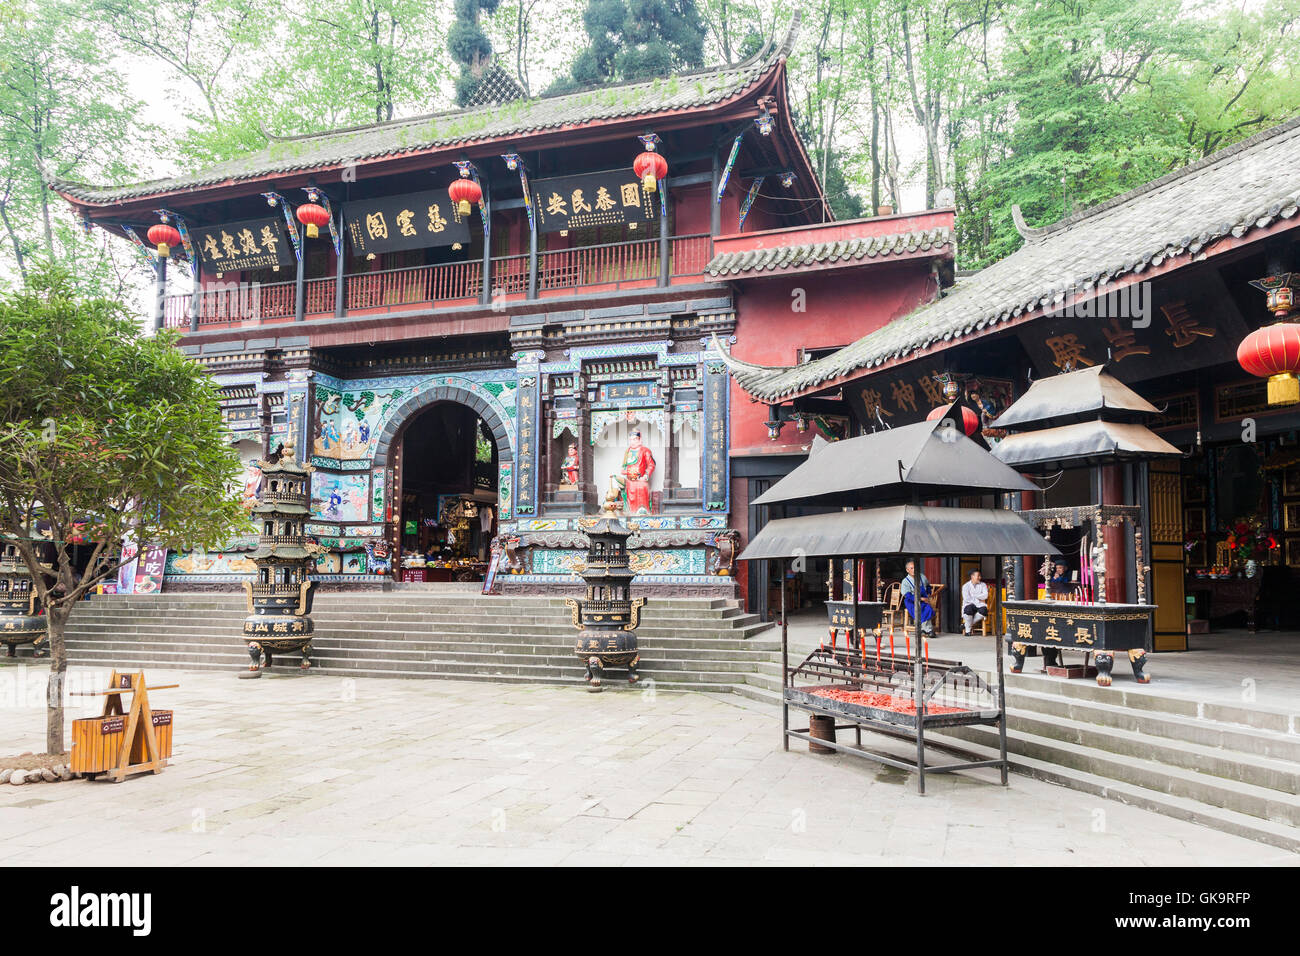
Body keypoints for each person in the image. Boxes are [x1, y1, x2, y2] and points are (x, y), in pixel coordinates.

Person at [900, 559, 934, 636]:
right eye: (911, 568)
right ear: (907, 570)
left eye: (915, 567)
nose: (914, 570)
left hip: (924, 599)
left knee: (928, 608)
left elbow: (928, 586)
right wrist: (921, 599)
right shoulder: (905, 581)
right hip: (912, 601)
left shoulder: (922, 576)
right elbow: (907, 595)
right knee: (919, 609)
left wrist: (928, 594)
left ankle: (923, 630)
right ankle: (928, 630)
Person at [962, 569, 989, 635]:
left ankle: (966, 625)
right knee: (968, 610)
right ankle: (968, 631)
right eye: (978, 576)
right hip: (969, 604)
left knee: (984, 611)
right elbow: (967, 598)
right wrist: (979, 598)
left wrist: (974, 596)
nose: (980, 577)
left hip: (980, 605)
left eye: (980, 576)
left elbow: (985, 595)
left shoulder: (983, 585)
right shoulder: (966, 586)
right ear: (972, 576)